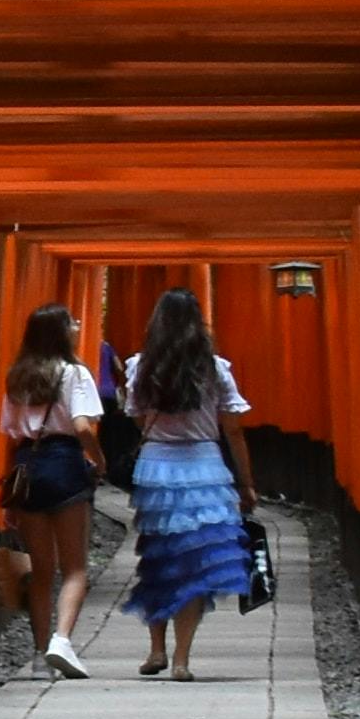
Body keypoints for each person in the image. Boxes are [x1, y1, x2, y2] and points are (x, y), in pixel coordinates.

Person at [115, 286, 255, 677]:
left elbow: (137, 416)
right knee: (194, 563)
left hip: (157, 465)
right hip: (205, 466)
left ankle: (156, 650)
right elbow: (235, 430)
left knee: (159, 557)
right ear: (198, 324)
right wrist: (246, 483)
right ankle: (181, 659)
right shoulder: (214, 368)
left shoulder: (141, 366)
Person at [0, 303, 105, 677]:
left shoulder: (18, 377)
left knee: (42, 571)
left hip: (27, 467)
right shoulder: (75, 373)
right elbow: (83, 427)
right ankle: (62, 640)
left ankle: (41, 657)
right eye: (72, 322)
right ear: (61, 333)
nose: (77, 325)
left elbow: (12, 436)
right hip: (64, 463)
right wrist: (100, 461)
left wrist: (9, 493)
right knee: (74, 567)